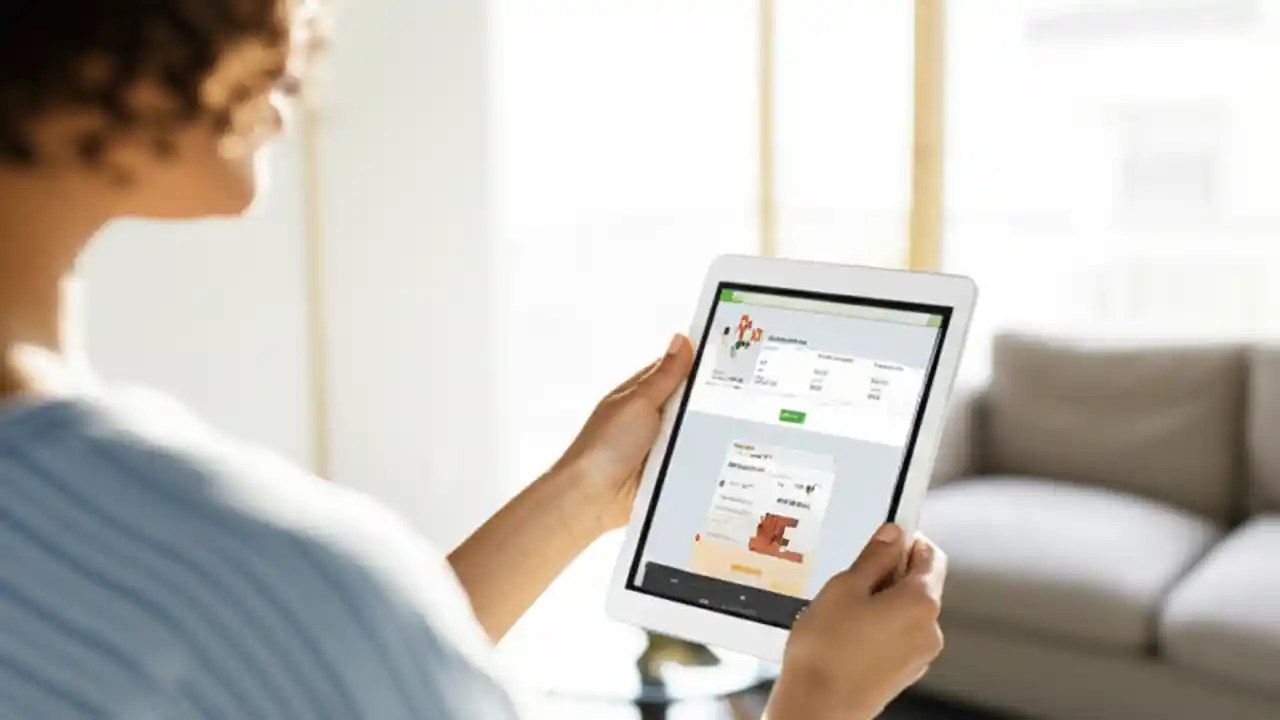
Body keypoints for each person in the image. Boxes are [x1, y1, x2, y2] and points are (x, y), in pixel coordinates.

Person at [0, 2, 947, 718]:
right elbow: (326, 636)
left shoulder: (244, 588)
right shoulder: (260, 571)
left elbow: (326, 668)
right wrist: (818, 698)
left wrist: (588, 487)